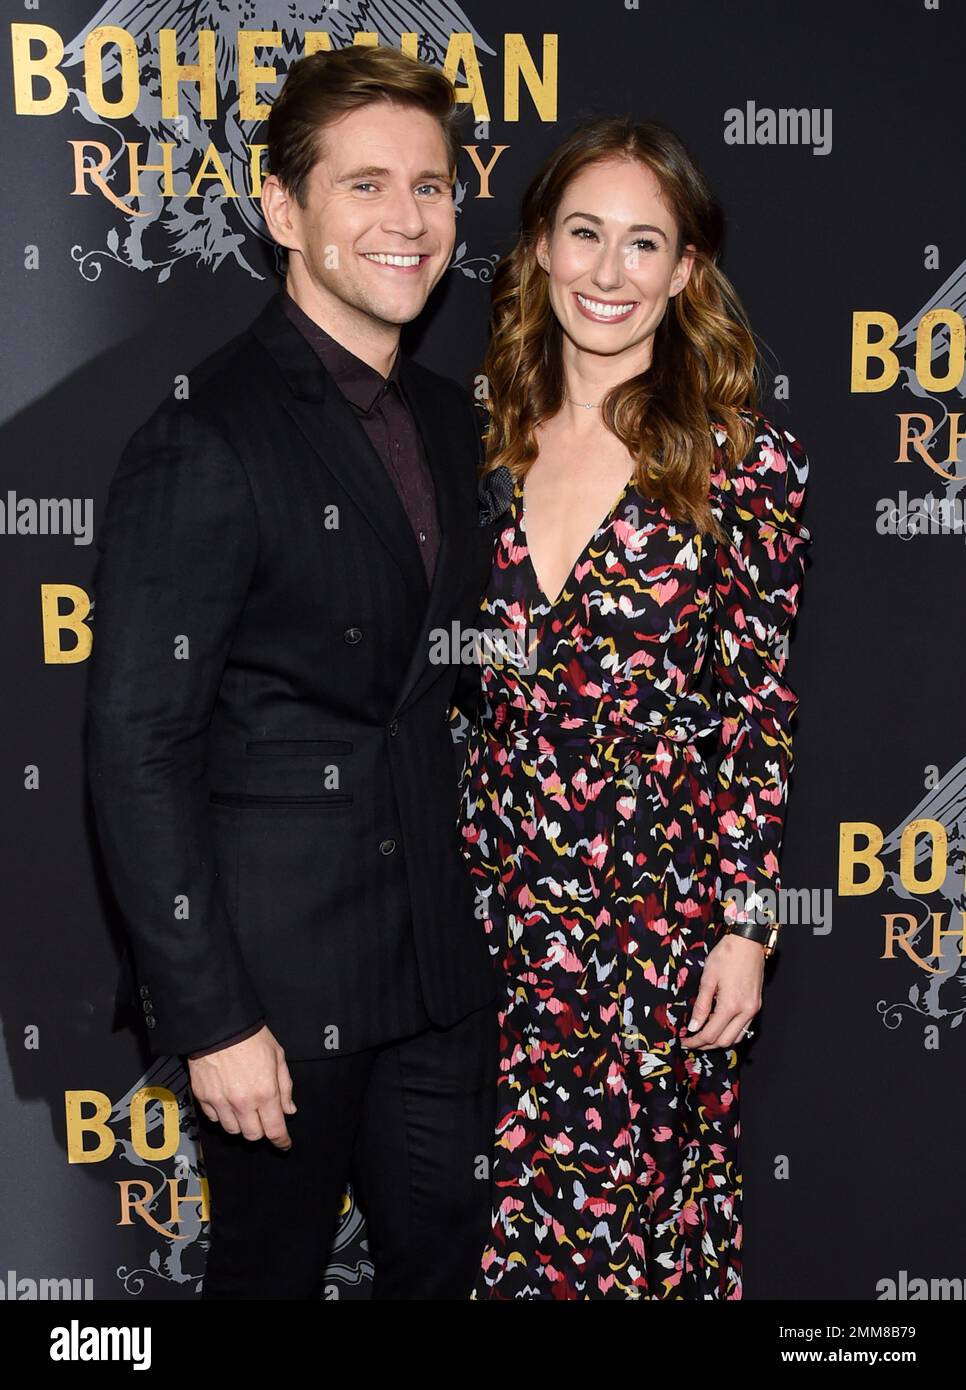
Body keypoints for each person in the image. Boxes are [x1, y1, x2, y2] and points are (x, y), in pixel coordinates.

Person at [84, 45, 498, 1300]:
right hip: (273, 996)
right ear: (282, 210)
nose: (407, 220)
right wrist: (208, 1015)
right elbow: (136, 743)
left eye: (430, 188)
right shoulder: (206, 436)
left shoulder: (450, 419)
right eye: (365, 184)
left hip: (436, 982)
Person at [458, 116, 812, 1299]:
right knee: (485, 1243)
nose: (609, 274)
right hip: (485, 925)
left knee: (638, 1248)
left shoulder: (743, 463)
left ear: (686, 270)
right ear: (540, 250)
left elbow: (758, 710)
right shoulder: (474, 440)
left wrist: (748, 927)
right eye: (585, 235)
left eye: (643, 244)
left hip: (657, 933)